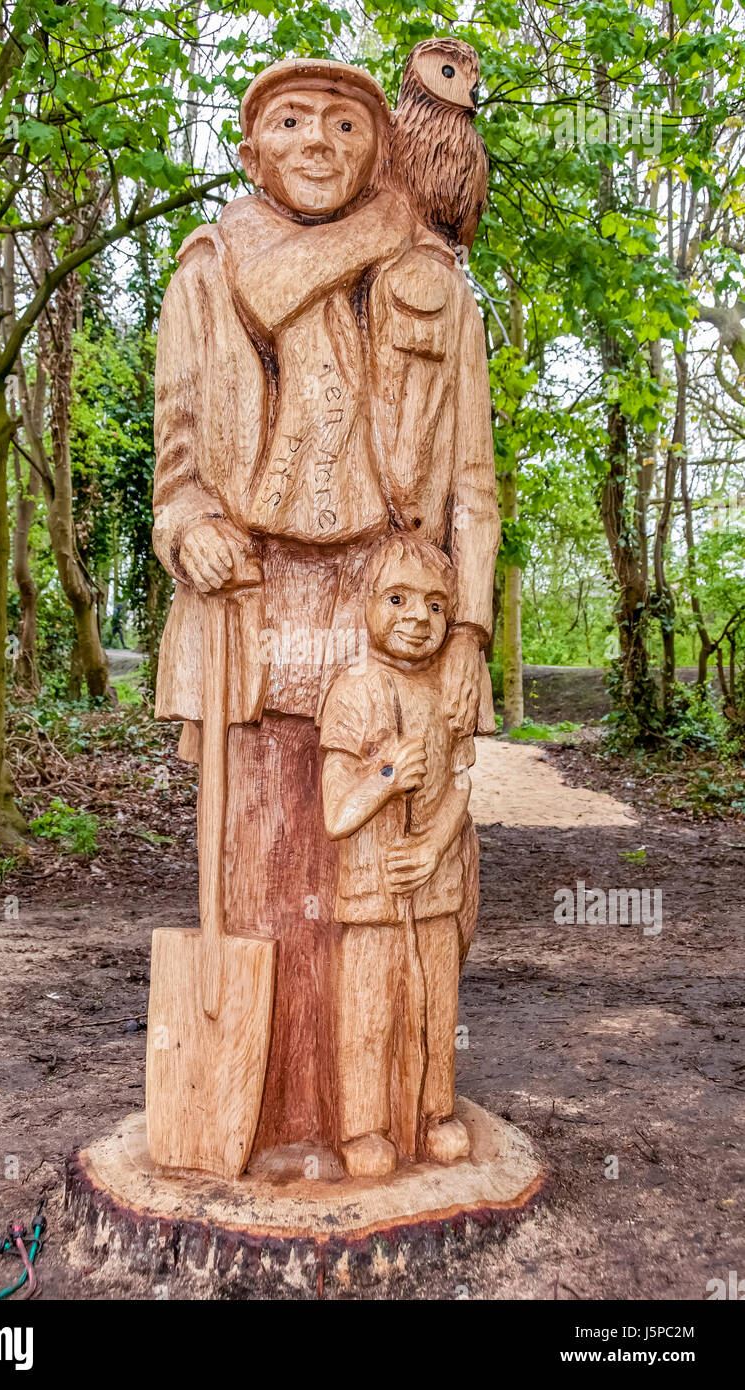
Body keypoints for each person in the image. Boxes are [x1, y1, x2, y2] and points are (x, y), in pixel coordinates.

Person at [151, 58, 499, 1158]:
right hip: (252, 595)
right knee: (265, 851)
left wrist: (472, 635)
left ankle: (388, 1105)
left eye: (342, 123)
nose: (314, 141)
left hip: (392, 596)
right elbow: (173, 460)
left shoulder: (431, 278)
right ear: (251, 152)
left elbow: (471, 481)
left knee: (393, 868)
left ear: (375, 145)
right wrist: (186, 525)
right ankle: (262, 1104)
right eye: (288, 122)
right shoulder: (207, 268)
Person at [320, 534, 473, 1177]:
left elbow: (463, 783)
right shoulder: (352, 691)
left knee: (438, 1008)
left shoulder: (445, 688)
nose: (419, 618)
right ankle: (364, 1127)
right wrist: (385, 774)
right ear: (366, 603)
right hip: (368, 887)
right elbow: (335, 814)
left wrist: (438, 847)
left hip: (433, 885)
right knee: (368, 1012)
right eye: (398, 598)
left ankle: (435, 1112)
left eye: (437, 606)